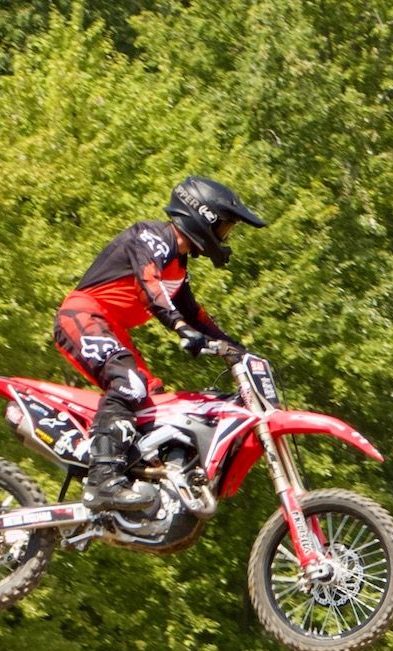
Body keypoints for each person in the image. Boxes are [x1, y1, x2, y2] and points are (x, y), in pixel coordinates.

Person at [52, 176, 265, 511]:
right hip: (83, 316)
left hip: (109, 327)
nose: (225, 237)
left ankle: (133, 471)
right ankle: (101, 482)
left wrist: (235, 348)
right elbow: (150, 286)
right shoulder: (151, 236)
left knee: (151, 397)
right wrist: (180, 328)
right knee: (131, 385)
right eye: (224, 228)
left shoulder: (177, 264)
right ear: (203, 216)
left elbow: (194, 312)